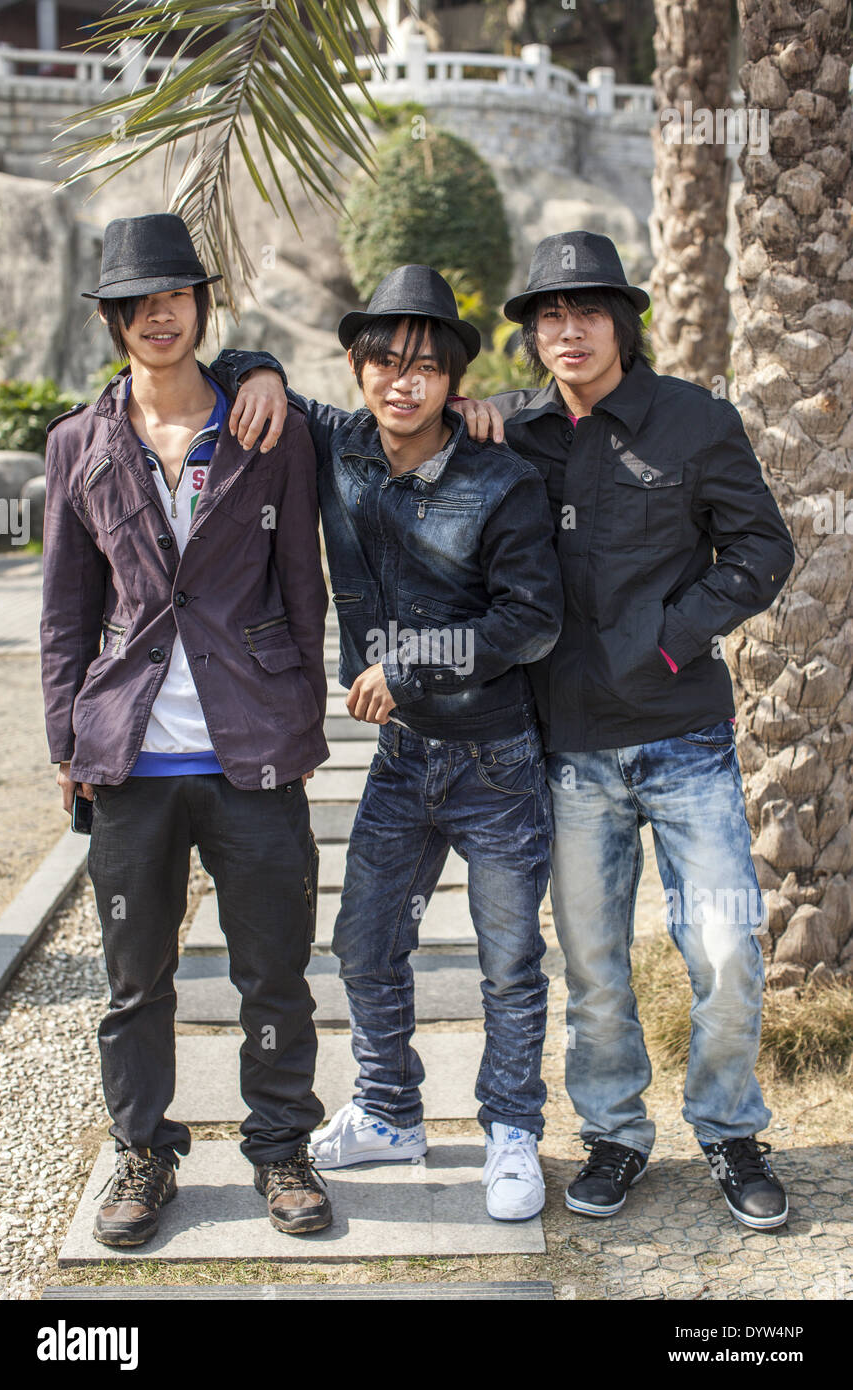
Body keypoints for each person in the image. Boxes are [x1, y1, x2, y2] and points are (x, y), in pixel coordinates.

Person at [227, 233, 796, 1232]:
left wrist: (663, 644)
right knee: (586, 964)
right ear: (527, 338)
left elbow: (758, 549)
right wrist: (261, 365)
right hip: (562, 746)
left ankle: (722, 1127)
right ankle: (611, 1133)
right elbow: (252, 377)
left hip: (673, 733)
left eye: (584, 312)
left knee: (720, 944)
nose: (564, 330)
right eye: (545, 317)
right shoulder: (509, 430)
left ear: (621, 322)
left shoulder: (689, 421)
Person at [211, 265, 563, 1220]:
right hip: (404, 758)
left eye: (425, 367)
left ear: (455, 381)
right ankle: (389, 1109)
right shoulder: (341, 444)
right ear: (359, 368)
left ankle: (512, 1134)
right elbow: (237, 358)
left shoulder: (503, 478)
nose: (402, 383)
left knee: (508, 965)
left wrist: (408, 665)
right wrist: (262, 373)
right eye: (383, 363)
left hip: (496, 759)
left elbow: (529, 622)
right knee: (363, 944)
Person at [40, 213, 331, 1245]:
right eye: (138, 302)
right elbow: (67, 611)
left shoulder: (268, 427)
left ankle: (281, 1147)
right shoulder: (78, 442)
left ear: (201, 306)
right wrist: (66, 745)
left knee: (273, 970)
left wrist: (300, 711)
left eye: (176, 296)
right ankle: (143, 1153)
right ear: (116, 318)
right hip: (128, 758)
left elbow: (303, 581)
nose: (159, 316)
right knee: (134, 981)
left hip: (250, 750)